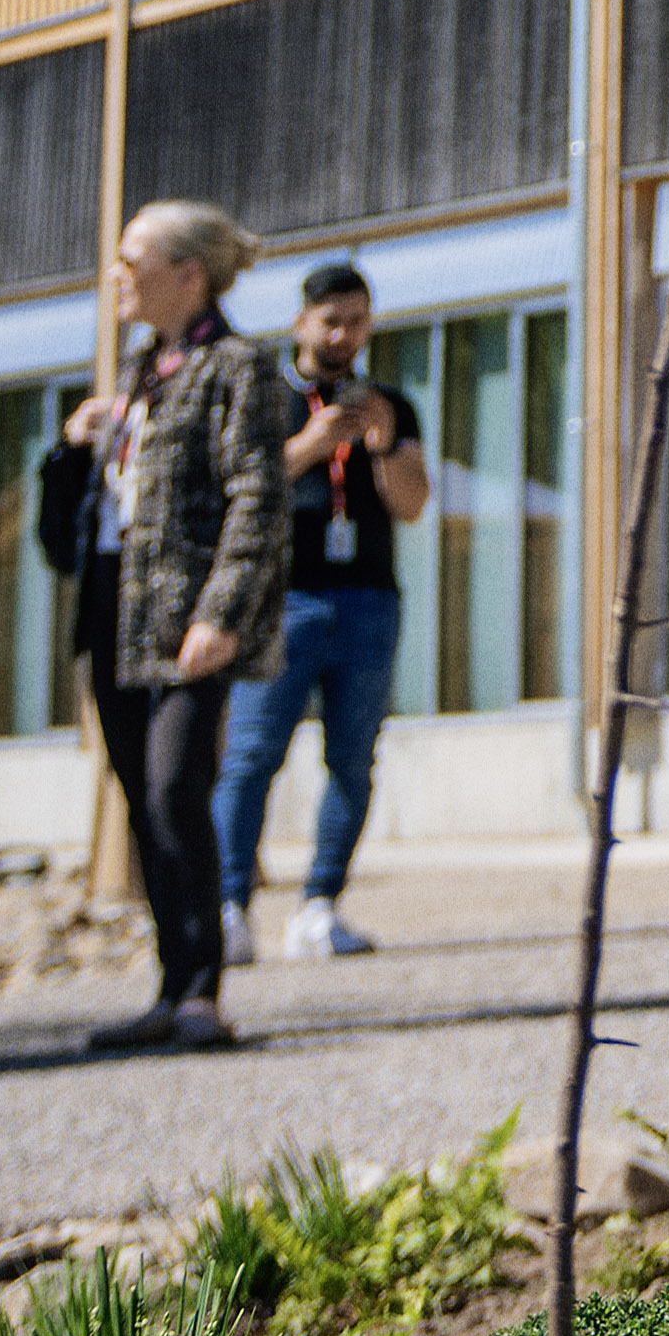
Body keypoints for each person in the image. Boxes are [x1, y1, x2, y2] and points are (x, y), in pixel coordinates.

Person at [46, 200, 298, 1055]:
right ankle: (170, 985)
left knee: (172, 788)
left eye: (131, 259)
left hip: (187, 618)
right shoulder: (143, 371)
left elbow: (259, 499)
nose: (117, 275)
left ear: (186, 273)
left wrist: (221, 614)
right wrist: (81, 442)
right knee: (143, 804)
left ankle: (201, 993)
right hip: (116, 615)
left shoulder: (237, 368)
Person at [209, 260, 431, 965]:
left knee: (352, 758)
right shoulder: (265, 397)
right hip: (282, 598)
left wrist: (383, 443)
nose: (344, 334)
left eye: (357, 320)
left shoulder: (389, 401)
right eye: (331, 319)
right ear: (302, 322)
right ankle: (229, 907)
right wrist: (315, 441)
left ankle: (319, 906)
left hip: (367, 599)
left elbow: (413, 503)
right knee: (250, 755)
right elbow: (239, 487)